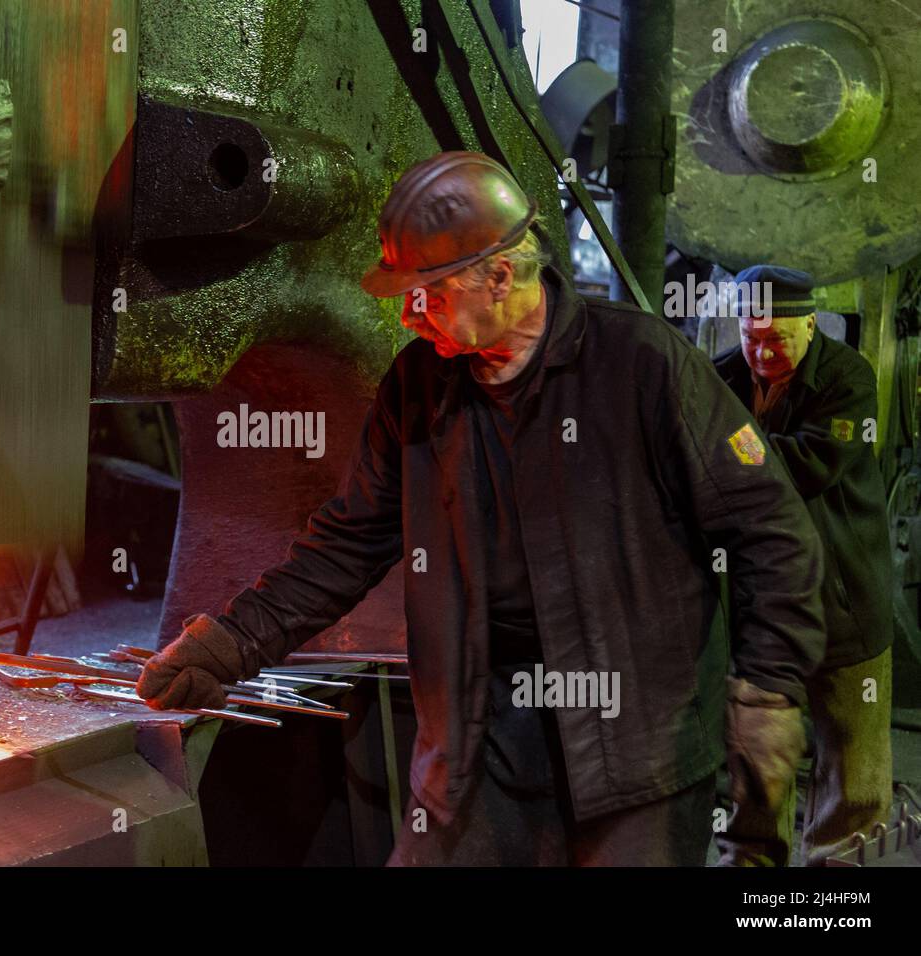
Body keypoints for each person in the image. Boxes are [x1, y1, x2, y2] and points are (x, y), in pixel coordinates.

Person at [139, 152, 825, 865]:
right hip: (477, 745)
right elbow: (348, 544)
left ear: (499, 277)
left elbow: (772, 534)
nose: (407, 312)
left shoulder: (643, 367)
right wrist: (228, 644)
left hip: (632, 755)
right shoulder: (419, 385)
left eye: (428, 292)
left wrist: (767, 689)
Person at [713, 265, 894, 866]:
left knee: (853, 777)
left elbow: (812, 464)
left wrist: (728, 450)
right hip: (764, 611)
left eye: (778, 339)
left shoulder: (847, 378)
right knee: (758, 767)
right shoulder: (720, 379)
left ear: (811, 325)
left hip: (844, 602)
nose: (762, 351)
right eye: (751, 335)